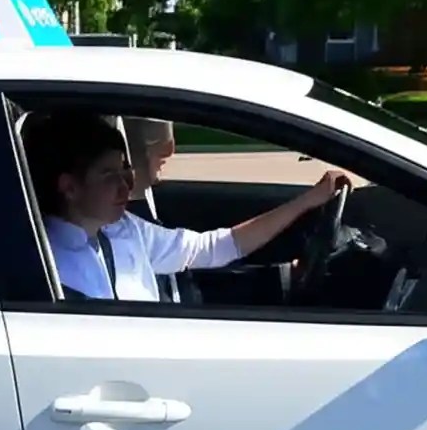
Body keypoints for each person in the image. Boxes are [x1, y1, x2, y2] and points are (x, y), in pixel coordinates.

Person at [24, 111, 347, 302]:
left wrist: (308, 200)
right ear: (69, 187)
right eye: (109, 174)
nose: (126, 183)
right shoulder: (40, 259)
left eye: (125, 169)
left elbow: (215, 246)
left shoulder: (126, 230)